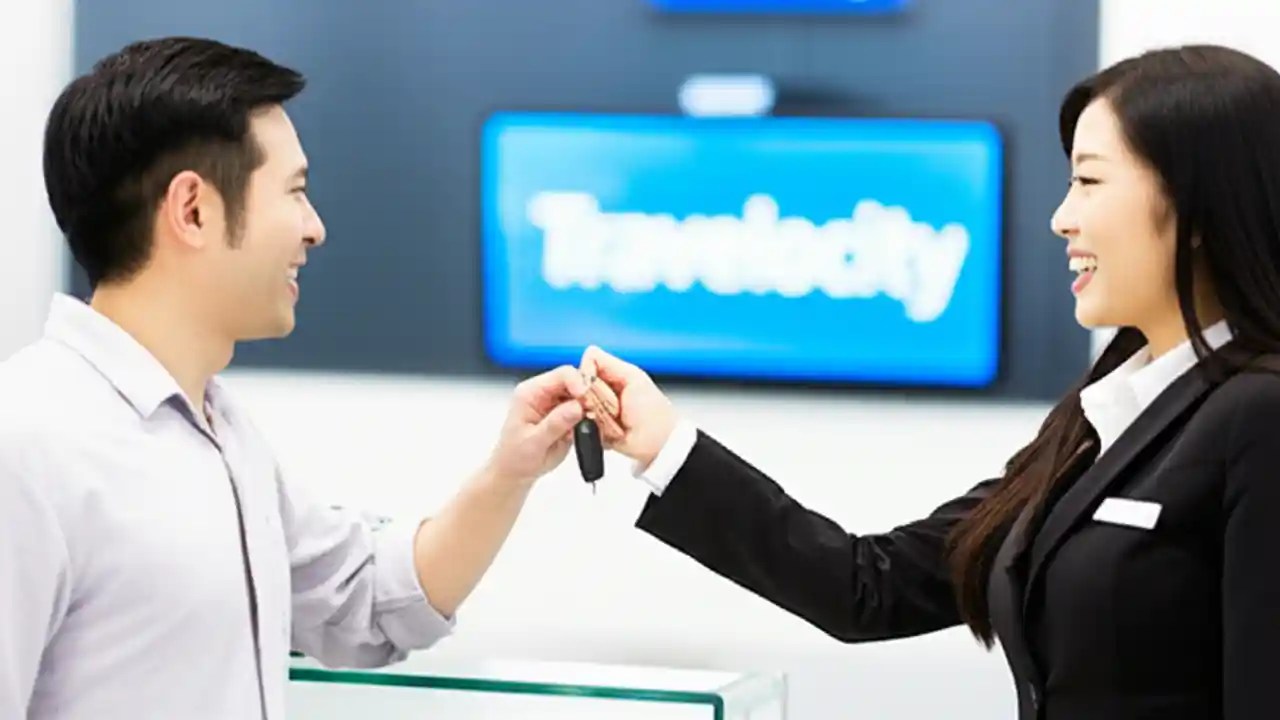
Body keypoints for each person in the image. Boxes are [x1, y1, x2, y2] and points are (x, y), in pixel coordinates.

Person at [578, 43, 1280, 720]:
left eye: (1089, 182)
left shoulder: (1261, 413)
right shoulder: (1102, 414)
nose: (1061, 219)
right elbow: (871, 586)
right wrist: (664, 446)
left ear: (1195, 204)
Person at [0, 37, 590, 719]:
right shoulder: (28, 442)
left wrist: (510, 472)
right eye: (295, 192)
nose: (314, 229)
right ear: (193, 210)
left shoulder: (222, 435)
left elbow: (367, 603)